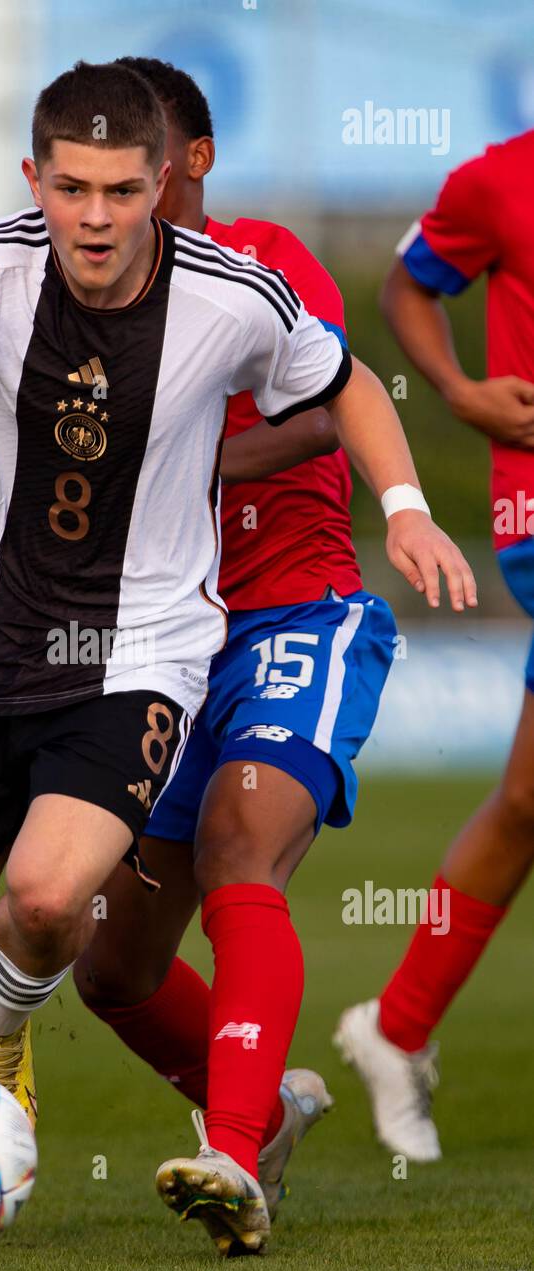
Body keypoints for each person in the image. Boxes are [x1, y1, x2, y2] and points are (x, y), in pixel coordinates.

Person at [0, 59, 471, 1259]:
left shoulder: (229, 292)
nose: (94, 215)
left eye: (120, 189)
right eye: (72, 187)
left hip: (139, 653)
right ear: (33, 177)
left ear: (165, 183)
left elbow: (346, 384)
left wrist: (403, 504)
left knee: (46, 900)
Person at [72, 57, 478, 1257]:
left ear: (184, 160)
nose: (117, 196)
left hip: (296, 613)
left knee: (241, 839)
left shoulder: (259, 257)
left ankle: (231, 1152)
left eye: (142, 160)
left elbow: (321, 405)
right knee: (111, 965)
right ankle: (274, 1103)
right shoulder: (80, 300)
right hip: (163, 639)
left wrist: (399, 504)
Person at [335, 130, 534, 1163]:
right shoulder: (498, 180)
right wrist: (458, 391)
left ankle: (394, 1028)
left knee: (524, 803)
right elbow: (409, 287)